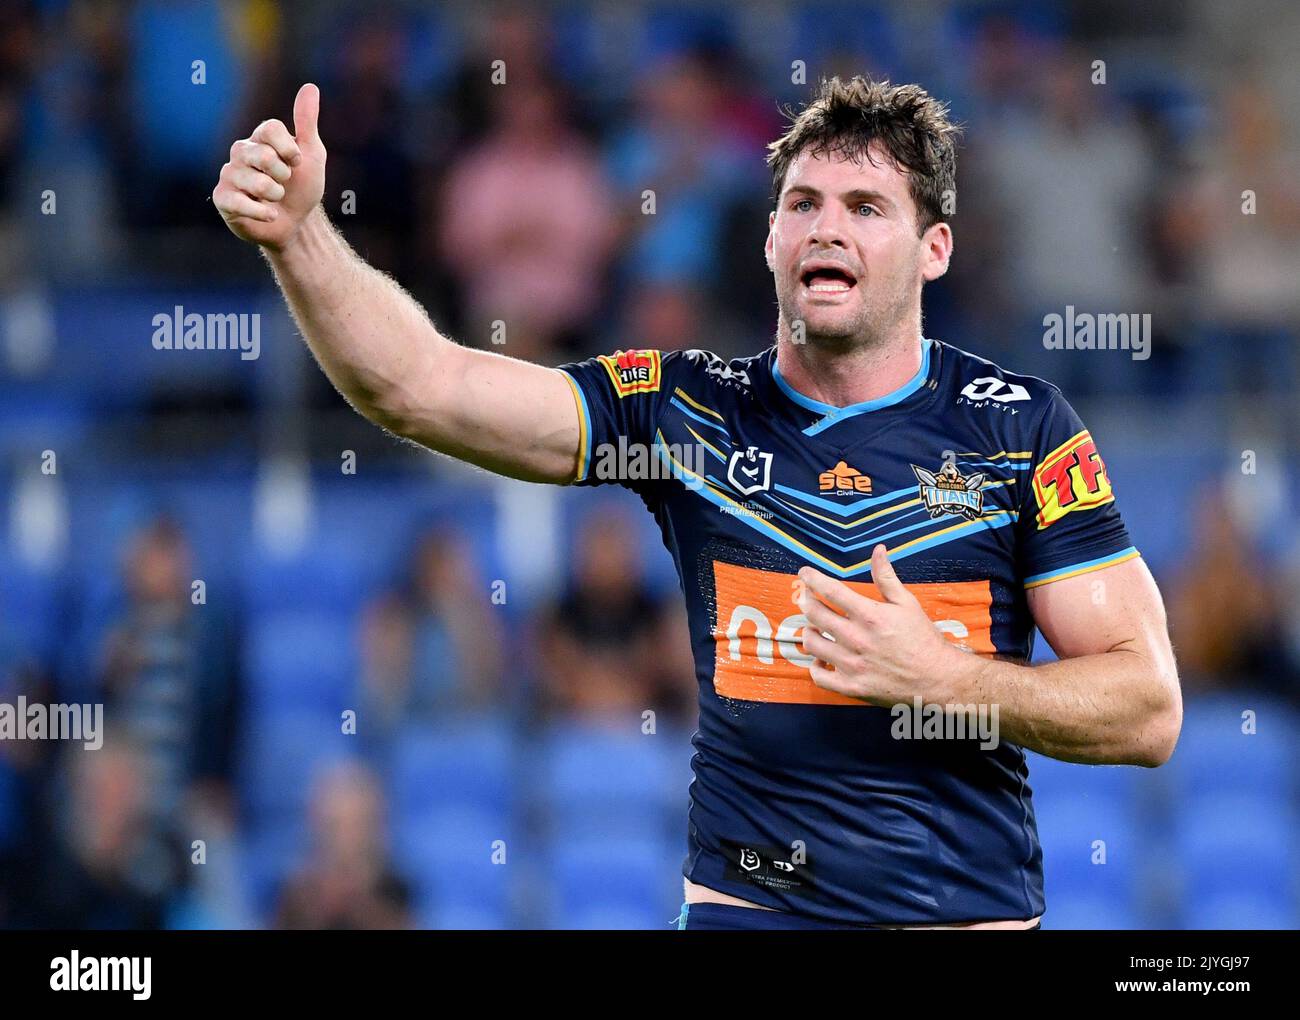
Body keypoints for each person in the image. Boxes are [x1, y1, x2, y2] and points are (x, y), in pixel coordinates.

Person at [212, 75, 1181, 930]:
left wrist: (948, 680)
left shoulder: (1018, 429)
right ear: (769, 239)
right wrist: (302, 239)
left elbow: (1146, 709)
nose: (826, 227)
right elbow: (420, 386)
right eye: (801, 203)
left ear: (934, 248)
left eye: (864, 206)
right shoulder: (685, 410)